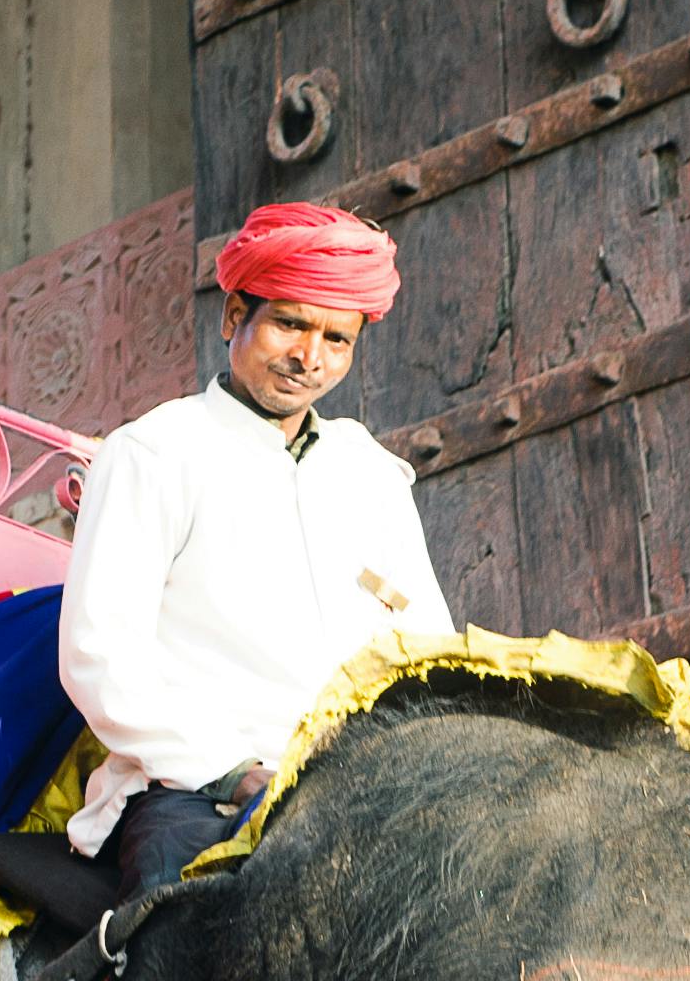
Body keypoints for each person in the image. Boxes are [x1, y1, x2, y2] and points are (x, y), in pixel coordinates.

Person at [57, 198, 455, 899]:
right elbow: (99, 656)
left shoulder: (369, 472)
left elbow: (430, 648)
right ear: (234, 317)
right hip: (196, 796)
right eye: (291, 325)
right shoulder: (155, 452)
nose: (310, 358)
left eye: (338, 340)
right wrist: (239, 772)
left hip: (367, 799)